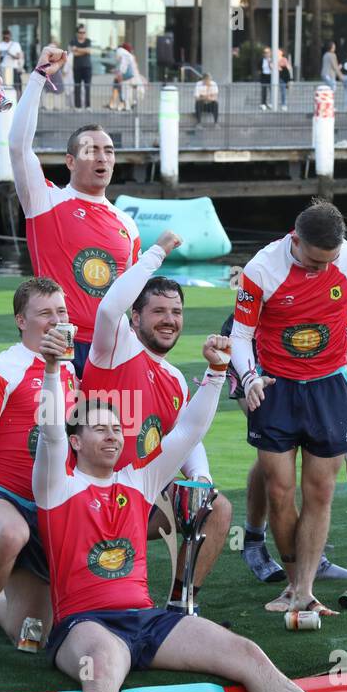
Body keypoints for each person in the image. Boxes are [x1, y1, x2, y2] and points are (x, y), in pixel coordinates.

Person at [33, 326, 347, 692]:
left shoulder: (139, 480)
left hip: (146, 619)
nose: (111, 437)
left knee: (246, 652)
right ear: (75, 441)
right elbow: (49, 433)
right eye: (99, 430)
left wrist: (215, 371)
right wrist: (52, 369)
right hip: (84, 624)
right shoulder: (56, 485)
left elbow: (189, 430)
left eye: (116, 428)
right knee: (104, 664)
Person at [230, 201, 347, 617]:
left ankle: (304, 590)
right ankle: (292, 585)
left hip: (328, 386)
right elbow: (241, 335)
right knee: (279, 491)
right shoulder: (261, 269)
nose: (319, 269)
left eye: (327, 262)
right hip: (276, 386)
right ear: (295, 239)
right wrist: (250, 377)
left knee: (320, 491)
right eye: (313, 260)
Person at [80, 229, 233, 614]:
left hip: (141, 499)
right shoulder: (116, 346)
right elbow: (106, 309)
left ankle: (181, 607)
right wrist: (156, 254)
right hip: (87, 499)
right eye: (159, 311)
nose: (169, 321)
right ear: (136, 317)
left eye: (177, 312)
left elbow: (187, 437)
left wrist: (200, 477)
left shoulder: (175, 379)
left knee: (217, 507)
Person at [0, 278, 79, 667]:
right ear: (21, 320)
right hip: (0, 494)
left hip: (48, 506)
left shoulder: (70, 371)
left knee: (32, 638)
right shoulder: (0, 370)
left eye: (61, 312)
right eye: (45, 313)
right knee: (11, 533)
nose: (56, 321)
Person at [9, 46, 142, 378]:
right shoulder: (45, 201)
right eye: (91, 150)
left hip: (112, 346)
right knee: (58, 426)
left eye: (108, 151)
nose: (102, 158)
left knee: (112, 429)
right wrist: (39, 76)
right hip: (60, 339)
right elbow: (17, 146)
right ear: (70, 161)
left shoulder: (127, 224)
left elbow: (133, 300)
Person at [71, 25, 94, 108]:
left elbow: (89, 51)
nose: (82, 34)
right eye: (80, 32)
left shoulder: (88, 41)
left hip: (87, 67)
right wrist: (85, 51)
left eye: (84, 32)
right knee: (77, 87)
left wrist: (77, 49)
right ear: (77, 33)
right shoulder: (73, 41)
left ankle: (88, 106)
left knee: (87, 87)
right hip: (77, 68)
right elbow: (73, 53)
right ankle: (78, 106)